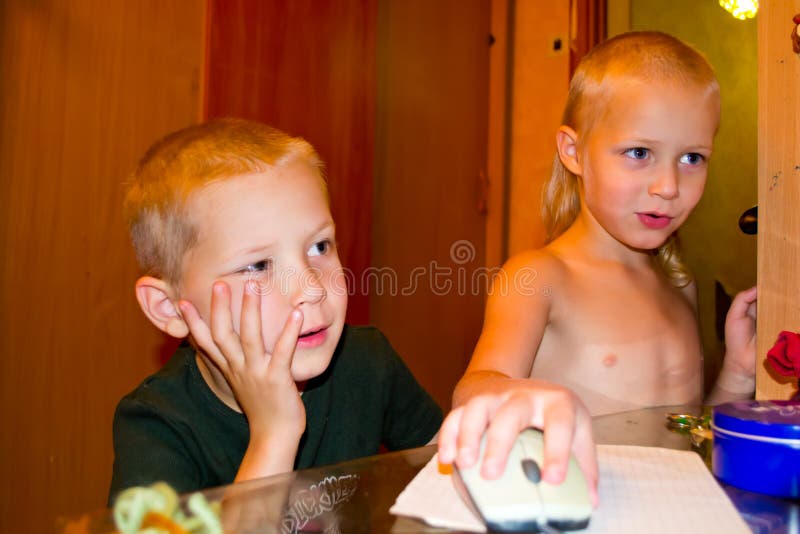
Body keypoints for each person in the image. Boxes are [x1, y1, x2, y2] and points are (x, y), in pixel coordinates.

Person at [438, 31, 758, 503]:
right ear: (573, 152)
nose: (668, 185)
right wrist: (504, 396)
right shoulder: (540, 277)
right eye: (639, 153)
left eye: (692, 158)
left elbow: (691, 442)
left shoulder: (678, 284)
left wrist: (736, 373)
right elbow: (476, 386)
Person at [109, 119, 442, 503]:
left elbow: (448, 476)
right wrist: (275, 433)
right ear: (170, 308)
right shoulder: (157, 425)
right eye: (258, 266)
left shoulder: (369, 362)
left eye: (320, 246)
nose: (311, 288)